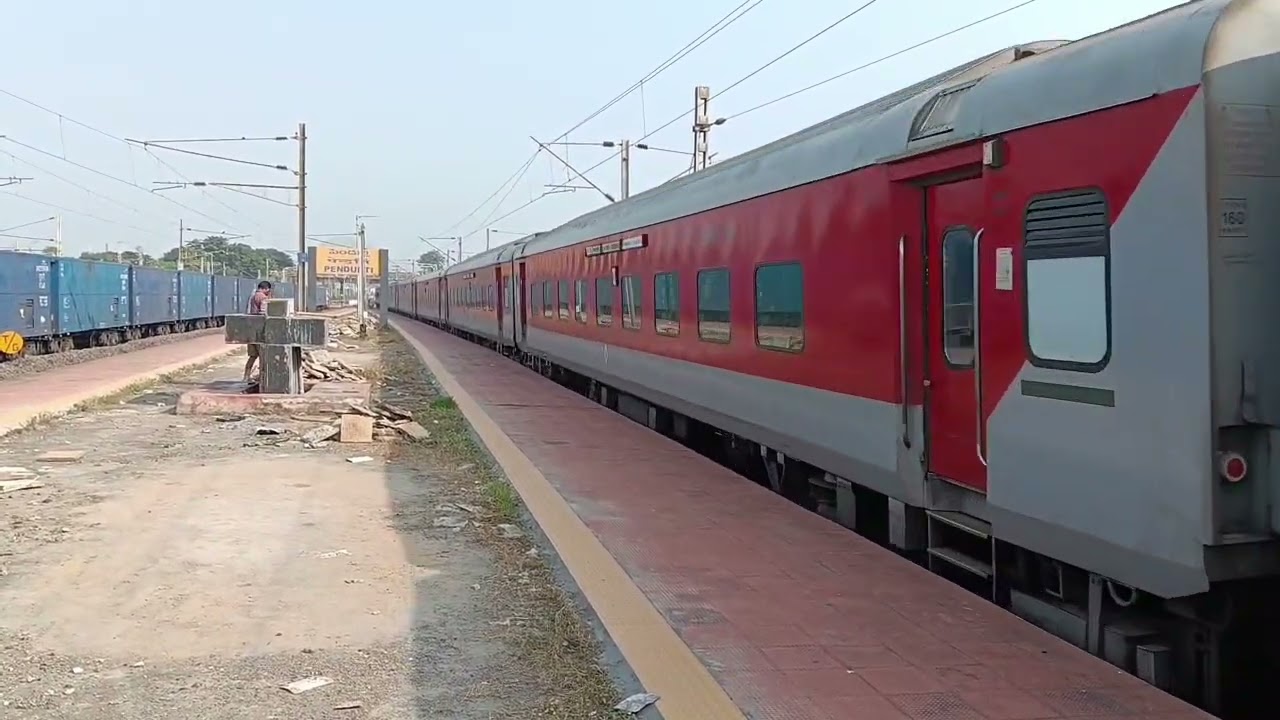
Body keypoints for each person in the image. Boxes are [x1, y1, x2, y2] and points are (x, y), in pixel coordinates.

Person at [243, 280, 272, 383]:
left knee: (253, 355)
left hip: (250, 329)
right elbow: (264, 313)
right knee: (263, 355)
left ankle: (246, 376)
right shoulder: (263, 298)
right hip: (259, 330)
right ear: (266, 289)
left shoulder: (251, 296)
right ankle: (263, 377)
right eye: (268, 290)